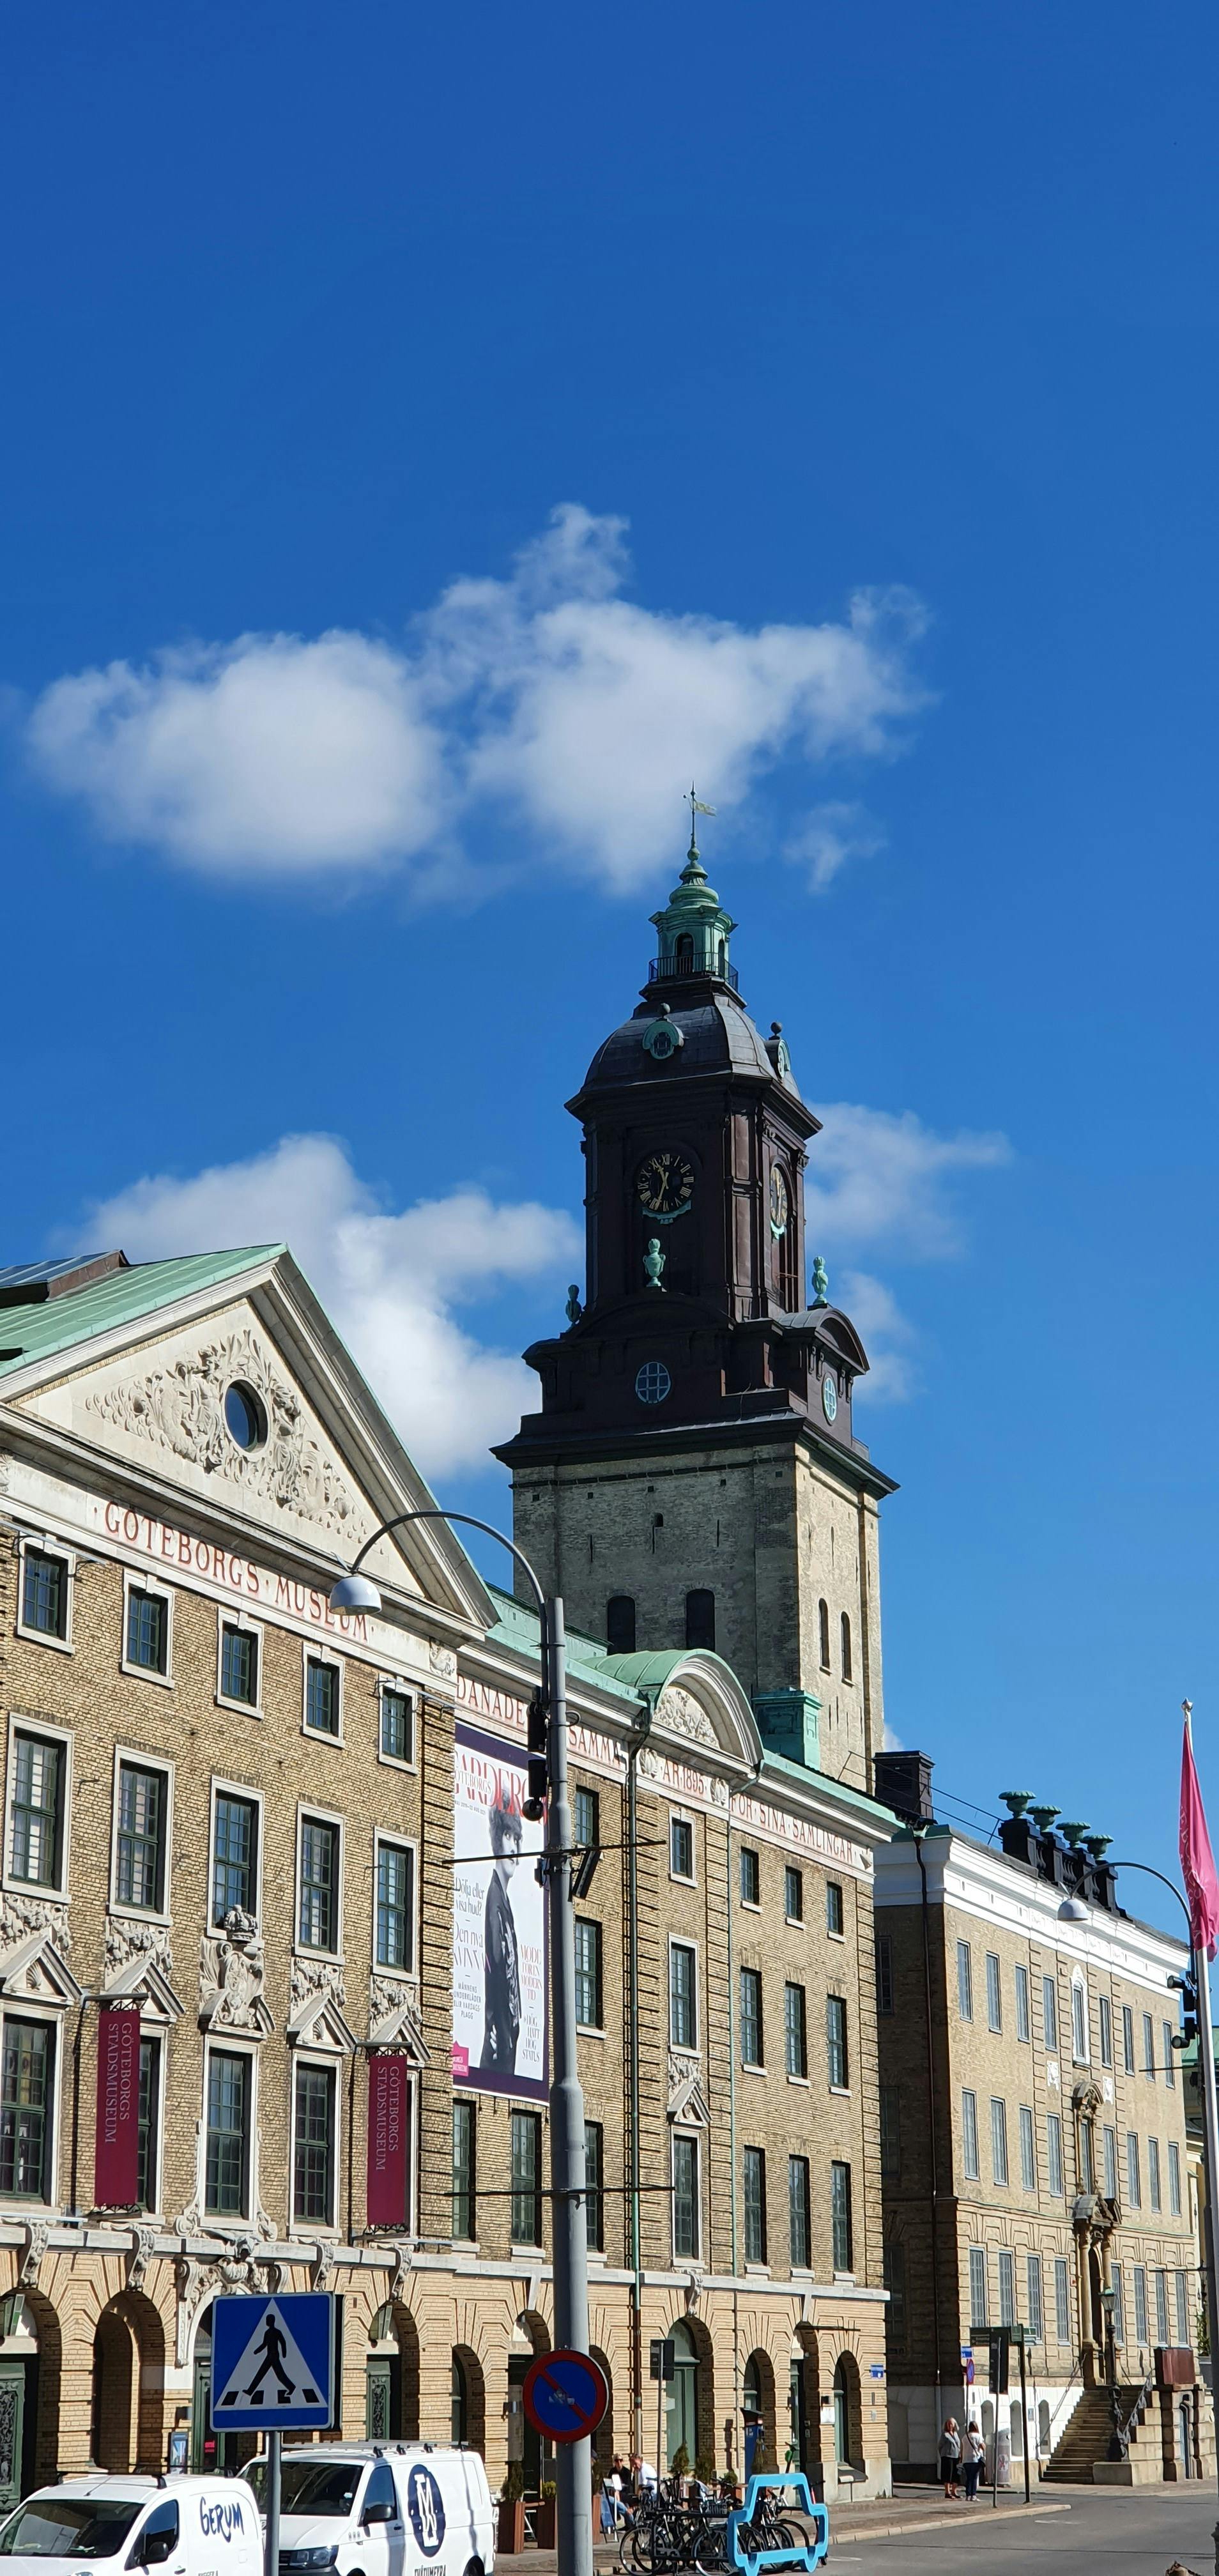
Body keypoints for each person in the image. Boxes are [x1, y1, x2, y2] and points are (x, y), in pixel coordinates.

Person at [480, 1795, 523, 2070]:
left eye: (517, 1838)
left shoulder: (504, 1902)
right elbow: (496, 1968)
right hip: (500, 2051)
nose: (514, 1846)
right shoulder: (495, 1901)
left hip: (509, 2044)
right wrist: (498, 2030)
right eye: (508, 1835)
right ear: (498, 1838)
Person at [963, 2420, 985, 2501]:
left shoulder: (965, 2437)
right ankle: (973, 2495)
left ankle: (968, 2495)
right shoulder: (978, 2436)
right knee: (974, 2478)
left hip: (966, 2460)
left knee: (968, 2478)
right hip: (975, 2459)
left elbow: (962, 2448)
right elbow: (983, 2447)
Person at [939, 2417, 961, 2499]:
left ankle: (954, 2491)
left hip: (956, 2457)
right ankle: (947, 2492)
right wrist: (943, 2454)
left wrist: (960, 2453)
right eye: (948, 2424)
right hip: (947, 2457)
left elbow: (958, 2445)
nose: (950, 2425)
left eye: (951, 2424)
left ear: (954, 2425)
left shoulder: (956, 2434)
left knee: (956, 2474)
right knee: (948, 2474)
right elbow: (940, 2446)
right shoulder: (944, 2434)